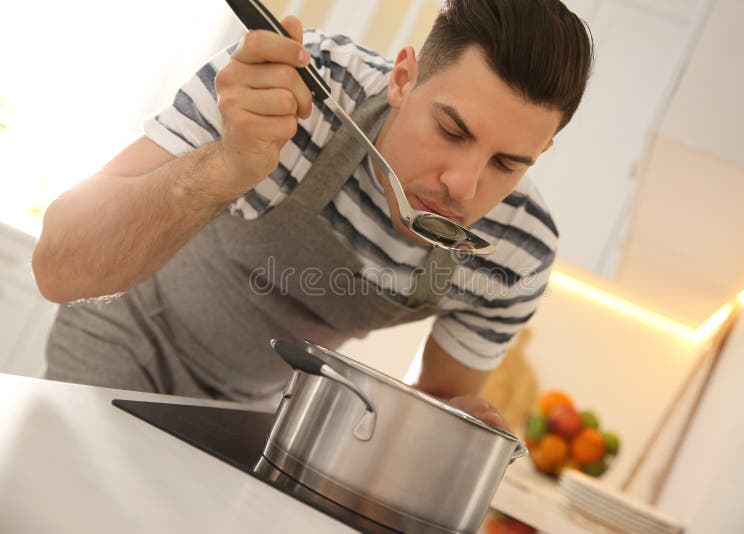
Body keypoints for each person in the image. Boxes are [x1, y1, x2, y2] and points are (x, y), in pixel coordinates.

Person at [32, 0, 592, 429]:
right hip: (124, 332)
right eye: (450, 130)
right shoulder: (289, 89)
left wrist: (457, 428)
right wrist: (225, 163)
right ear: (403, 78)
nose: (462, 186)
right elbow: (58, 269)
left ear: (540, 154)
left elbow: (436, 404)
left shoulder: (519, 251)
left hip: (258, 412)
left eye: (507, 163)